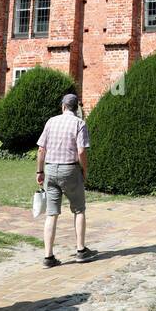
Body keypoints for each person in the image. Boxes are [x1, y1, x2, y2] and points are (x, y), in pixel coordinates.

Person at [36, 93, 94, 266]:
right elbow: (81, 151)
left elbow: (41, 149)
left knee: (51, 213)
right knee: (79, 210)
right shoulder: (79, 123)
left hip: (51, 168)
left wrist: (40, 171)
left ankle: (48, 256)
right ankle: (81, 250)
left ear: (63, 106)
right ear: (77, 108)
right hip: (70, 169)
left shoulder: (51, 121)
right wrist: (84, 170)